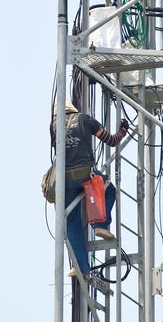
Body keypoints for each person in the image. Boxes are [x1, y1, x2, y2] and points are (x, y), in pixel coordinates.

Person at [51, 102, 129, 276]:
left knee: (71, 221)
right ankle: (100, 225)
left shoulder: (54, 126)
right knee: (108, 189)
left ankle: (82, 268)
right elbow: (112, 141)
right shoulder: (85, 120)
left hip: (66, 178)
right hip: (86, 173)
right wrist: (124, 129)